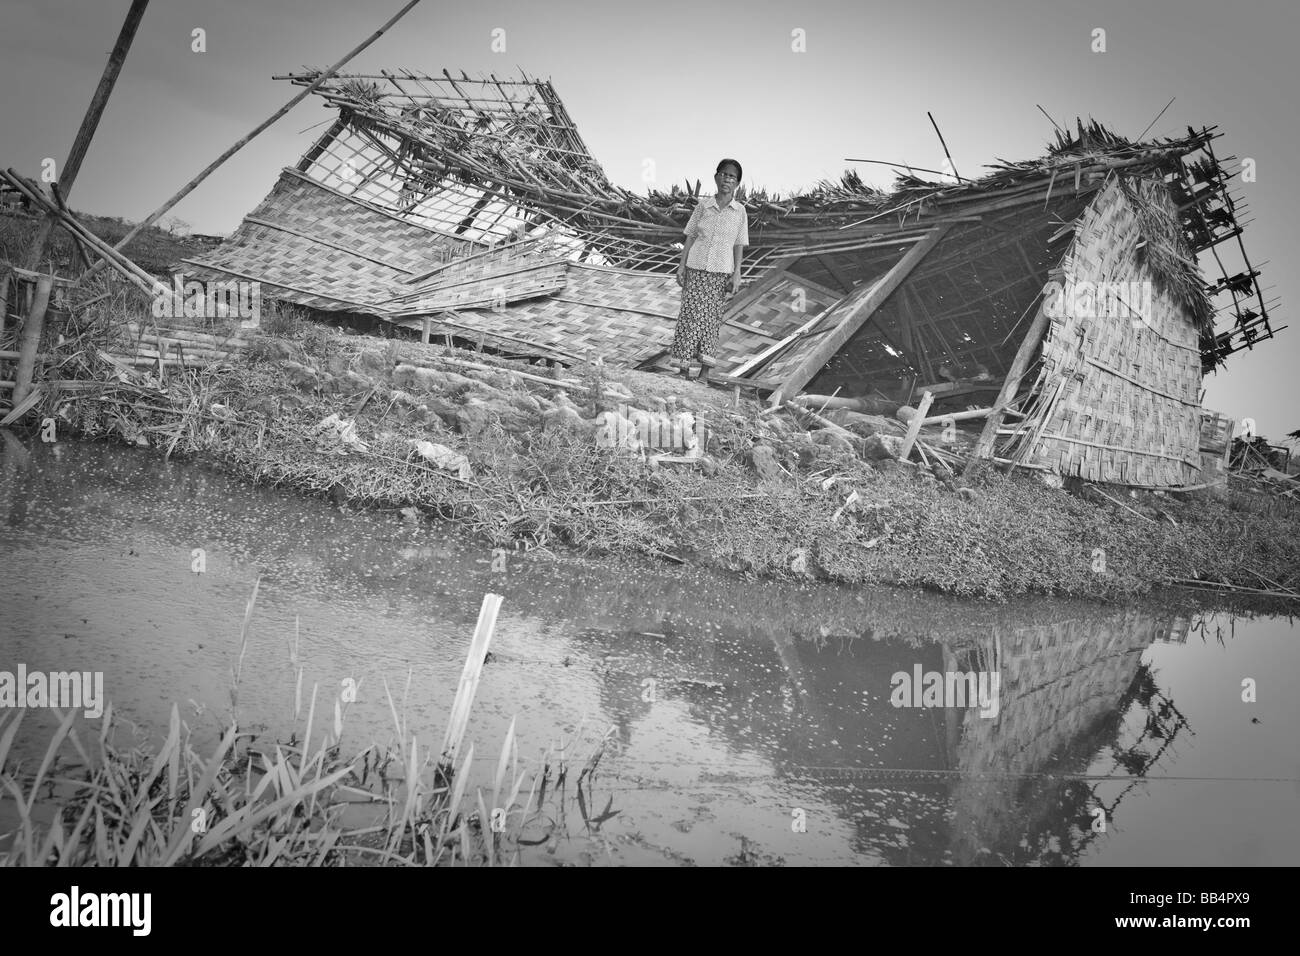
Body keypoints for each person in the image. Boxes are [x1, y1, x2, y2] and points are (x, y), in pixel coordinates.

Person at [673, 158, 749, 383]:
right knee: (689, 317)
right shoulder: (703, 206)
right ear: (716, 177)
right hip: (695, 268)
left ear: (737, 184)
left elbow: (739, 244)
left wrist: (737, 273)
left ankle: (705, 372)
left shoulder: (740, 212)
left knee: (710, 320)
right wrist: (681, 266)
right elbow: (690, 236)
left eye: (732, 177)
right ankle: (684, 370)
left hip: (720, 273)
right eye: (723, 174)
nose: (727, 179)